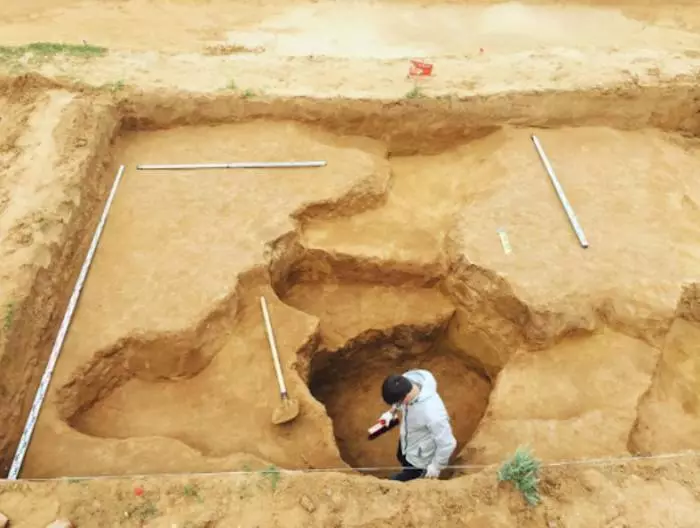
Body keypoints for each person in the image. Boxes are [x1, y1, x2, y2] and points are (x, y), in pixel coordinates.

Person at [379, 369, 457, 482]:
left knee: (411, 474)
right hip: (408, 441)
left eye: (398, 403)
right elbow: (398, 403)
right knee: (401, 456)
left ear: (405, 398)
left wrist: (436, 466)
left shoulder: (432, 413)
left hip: (420, 459)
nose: (397, 405)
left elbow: (447, 444)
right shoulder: (407, 381)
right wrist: (391, 413)